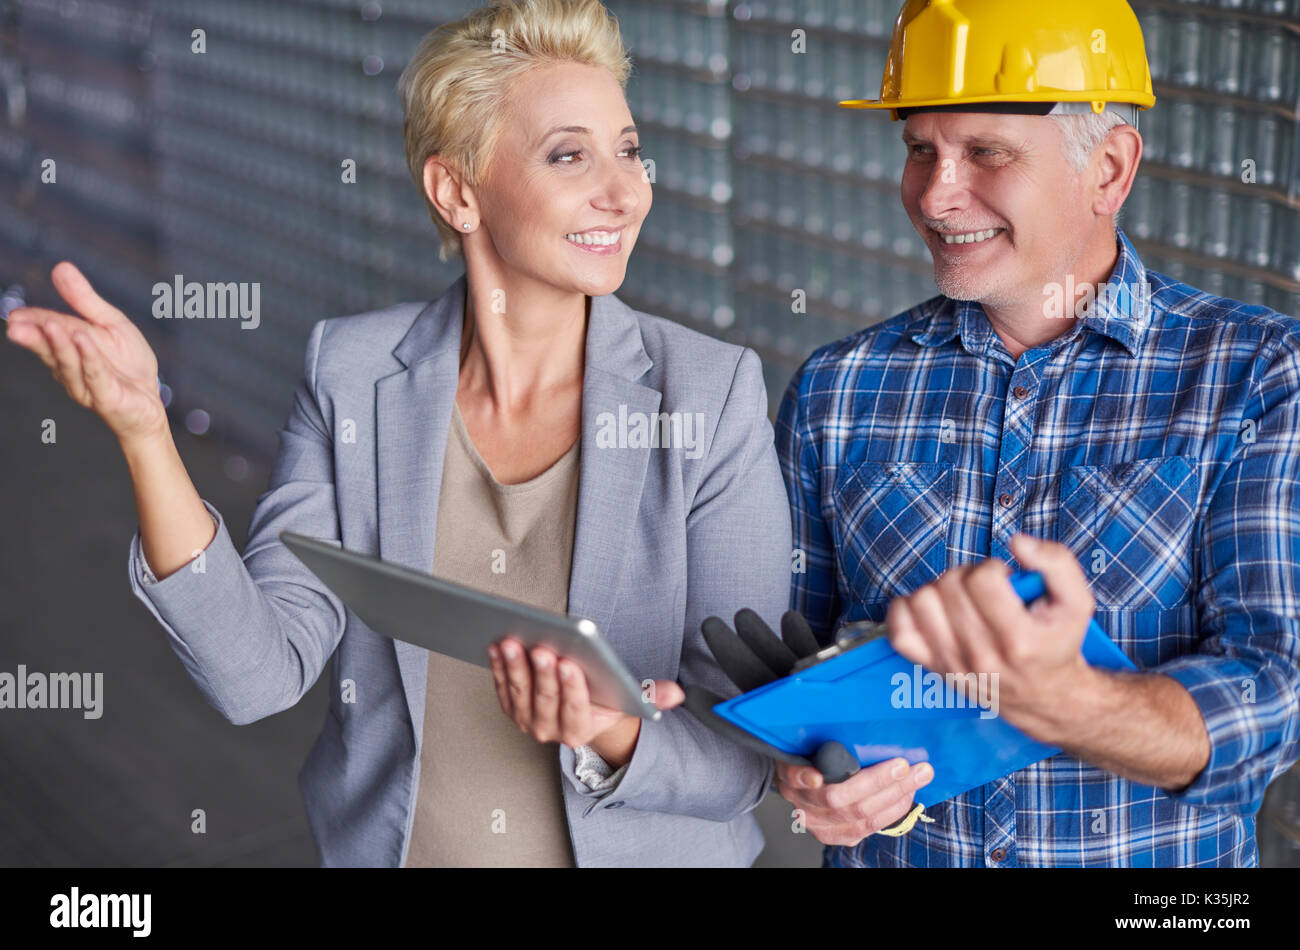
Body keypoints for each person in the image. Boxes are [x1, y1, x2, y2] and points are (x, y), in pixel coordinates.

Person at [4, 0, 790, 867]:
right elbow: (256, 675)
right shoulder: (352, 372)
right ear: (457, 191)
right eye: (571, 155)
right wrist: (145, 430)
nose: (625, 189)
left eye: (630, 150)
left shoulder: (709, 397)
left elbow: (744, 756)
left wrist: (609, 731)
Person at [773, 0, 1300, 865]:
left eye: (986, 152)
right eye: (919, 150)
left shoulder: (1253, 377)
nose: (937, 194)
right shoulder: (841, 388)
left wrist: (1069, 700)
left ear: (1109, 169)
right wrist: (813, 773)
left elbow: (1276, 695)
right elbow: (800, 671)